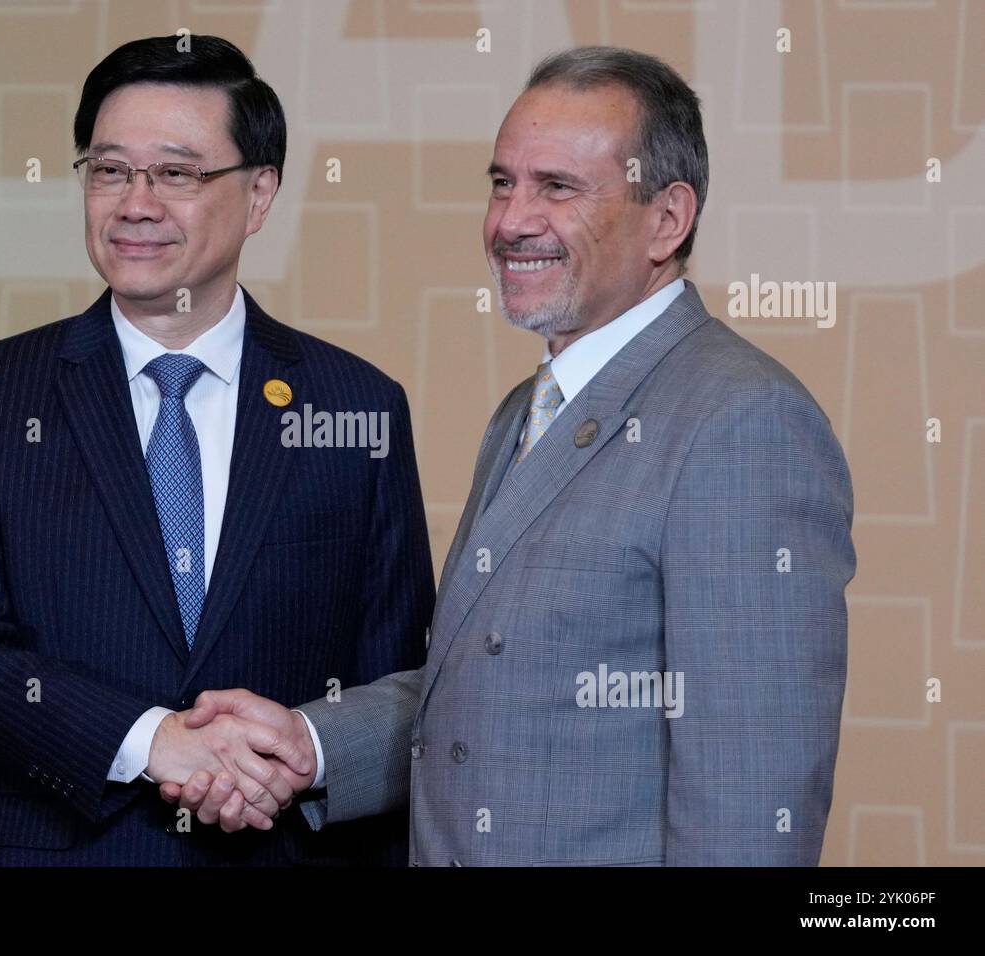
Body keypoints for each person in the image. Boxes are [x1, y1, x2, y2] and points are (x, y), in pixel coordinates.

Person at [164, 45, 857, 866]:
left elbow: (750, 802)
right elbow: (487, 688)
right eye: (502, 183)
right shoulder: (526, 412)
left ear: (667, 219)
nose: (510, 222)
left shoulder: (743, 422)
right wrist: (310, 742)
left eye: (557, 187)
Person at [0, 34, 433, 865]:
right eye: (109, 170)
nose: (135, 203)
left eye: (177, 174)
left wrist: (294, 752)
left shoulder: (357, 404)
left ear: (259, 195)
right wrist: (151, 741)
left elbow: (400, 685)